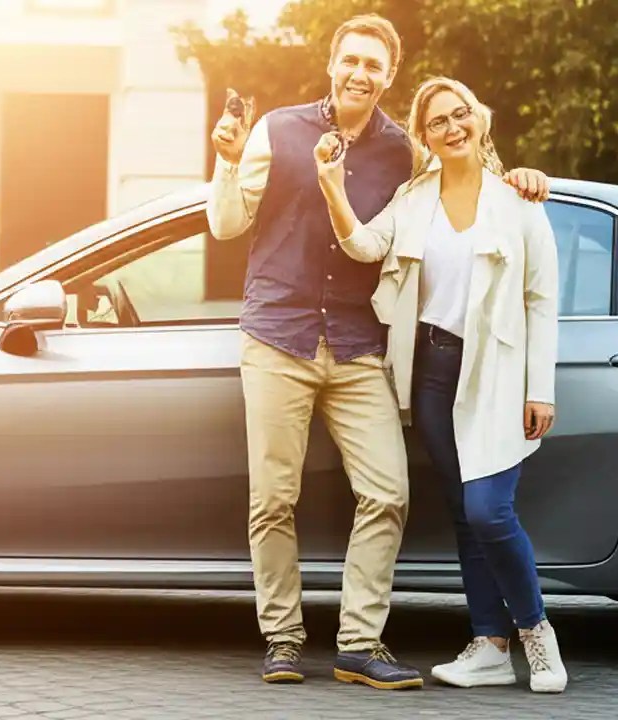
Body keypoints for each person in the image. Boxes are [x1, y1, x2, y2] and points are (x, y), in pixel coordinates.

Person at [207, 13, 549, 688]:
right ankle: (282, 639)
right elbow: (225, 224)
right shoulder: (276, 130)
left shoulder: (405, 151)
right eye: (352, 61)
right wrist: (224, 157)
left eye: (375, 66)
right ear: (331, 64)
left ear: (388, 78)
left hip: (361, 347)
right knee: (274, 498)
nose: (361, 74)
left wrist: (521, 178)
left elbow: (465, 178)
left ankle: (359, 643)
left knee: (388, 493)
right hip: (277, 337)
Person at [327, 75, 567, 693]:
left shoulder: (518, 200)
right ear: (423, 136)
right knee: (464, 513)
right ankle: (488, 646)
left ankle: (538, 639)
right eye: (437, 122)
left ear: (480, 119)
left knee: (491, 511)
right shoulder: (413, 199)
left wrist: (539, 388)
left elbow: (542, 300)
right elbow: (362, 244)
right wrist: (332, 186)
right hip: (431, 370)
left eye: (461, 114)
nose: (452, 127)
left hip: (497, 373)